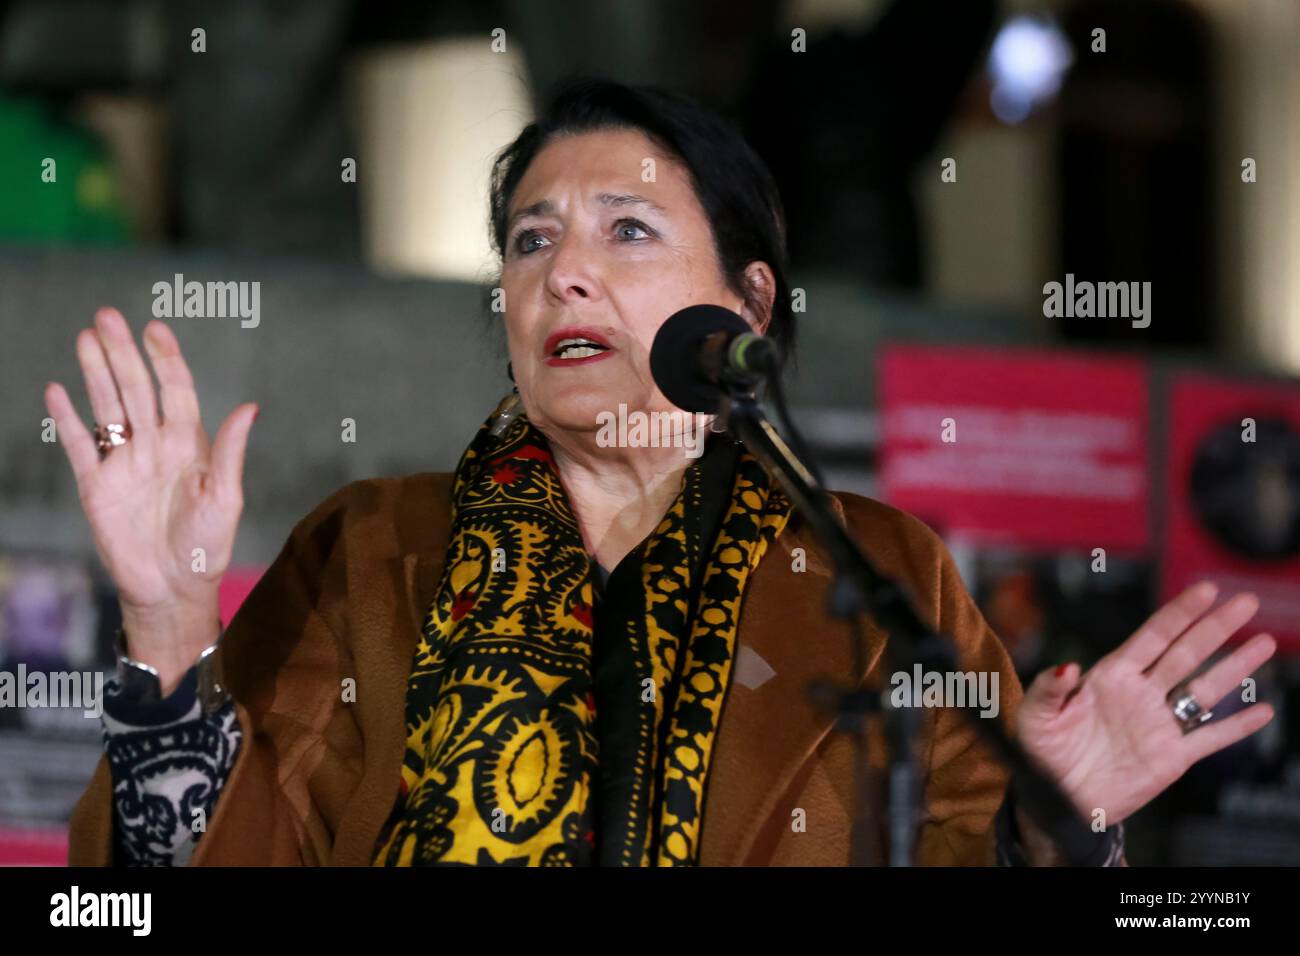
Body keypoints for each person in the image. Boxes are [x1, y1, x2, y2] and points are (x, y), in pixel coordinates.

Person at [48, 79, 1275, 866]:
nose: (563, 272)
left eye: (626, 229)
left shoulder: (876, 571)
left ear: (746, 297)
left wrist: (1055, 824)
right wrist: (164, 623)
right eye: (532, 239)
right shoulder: (371, 547)